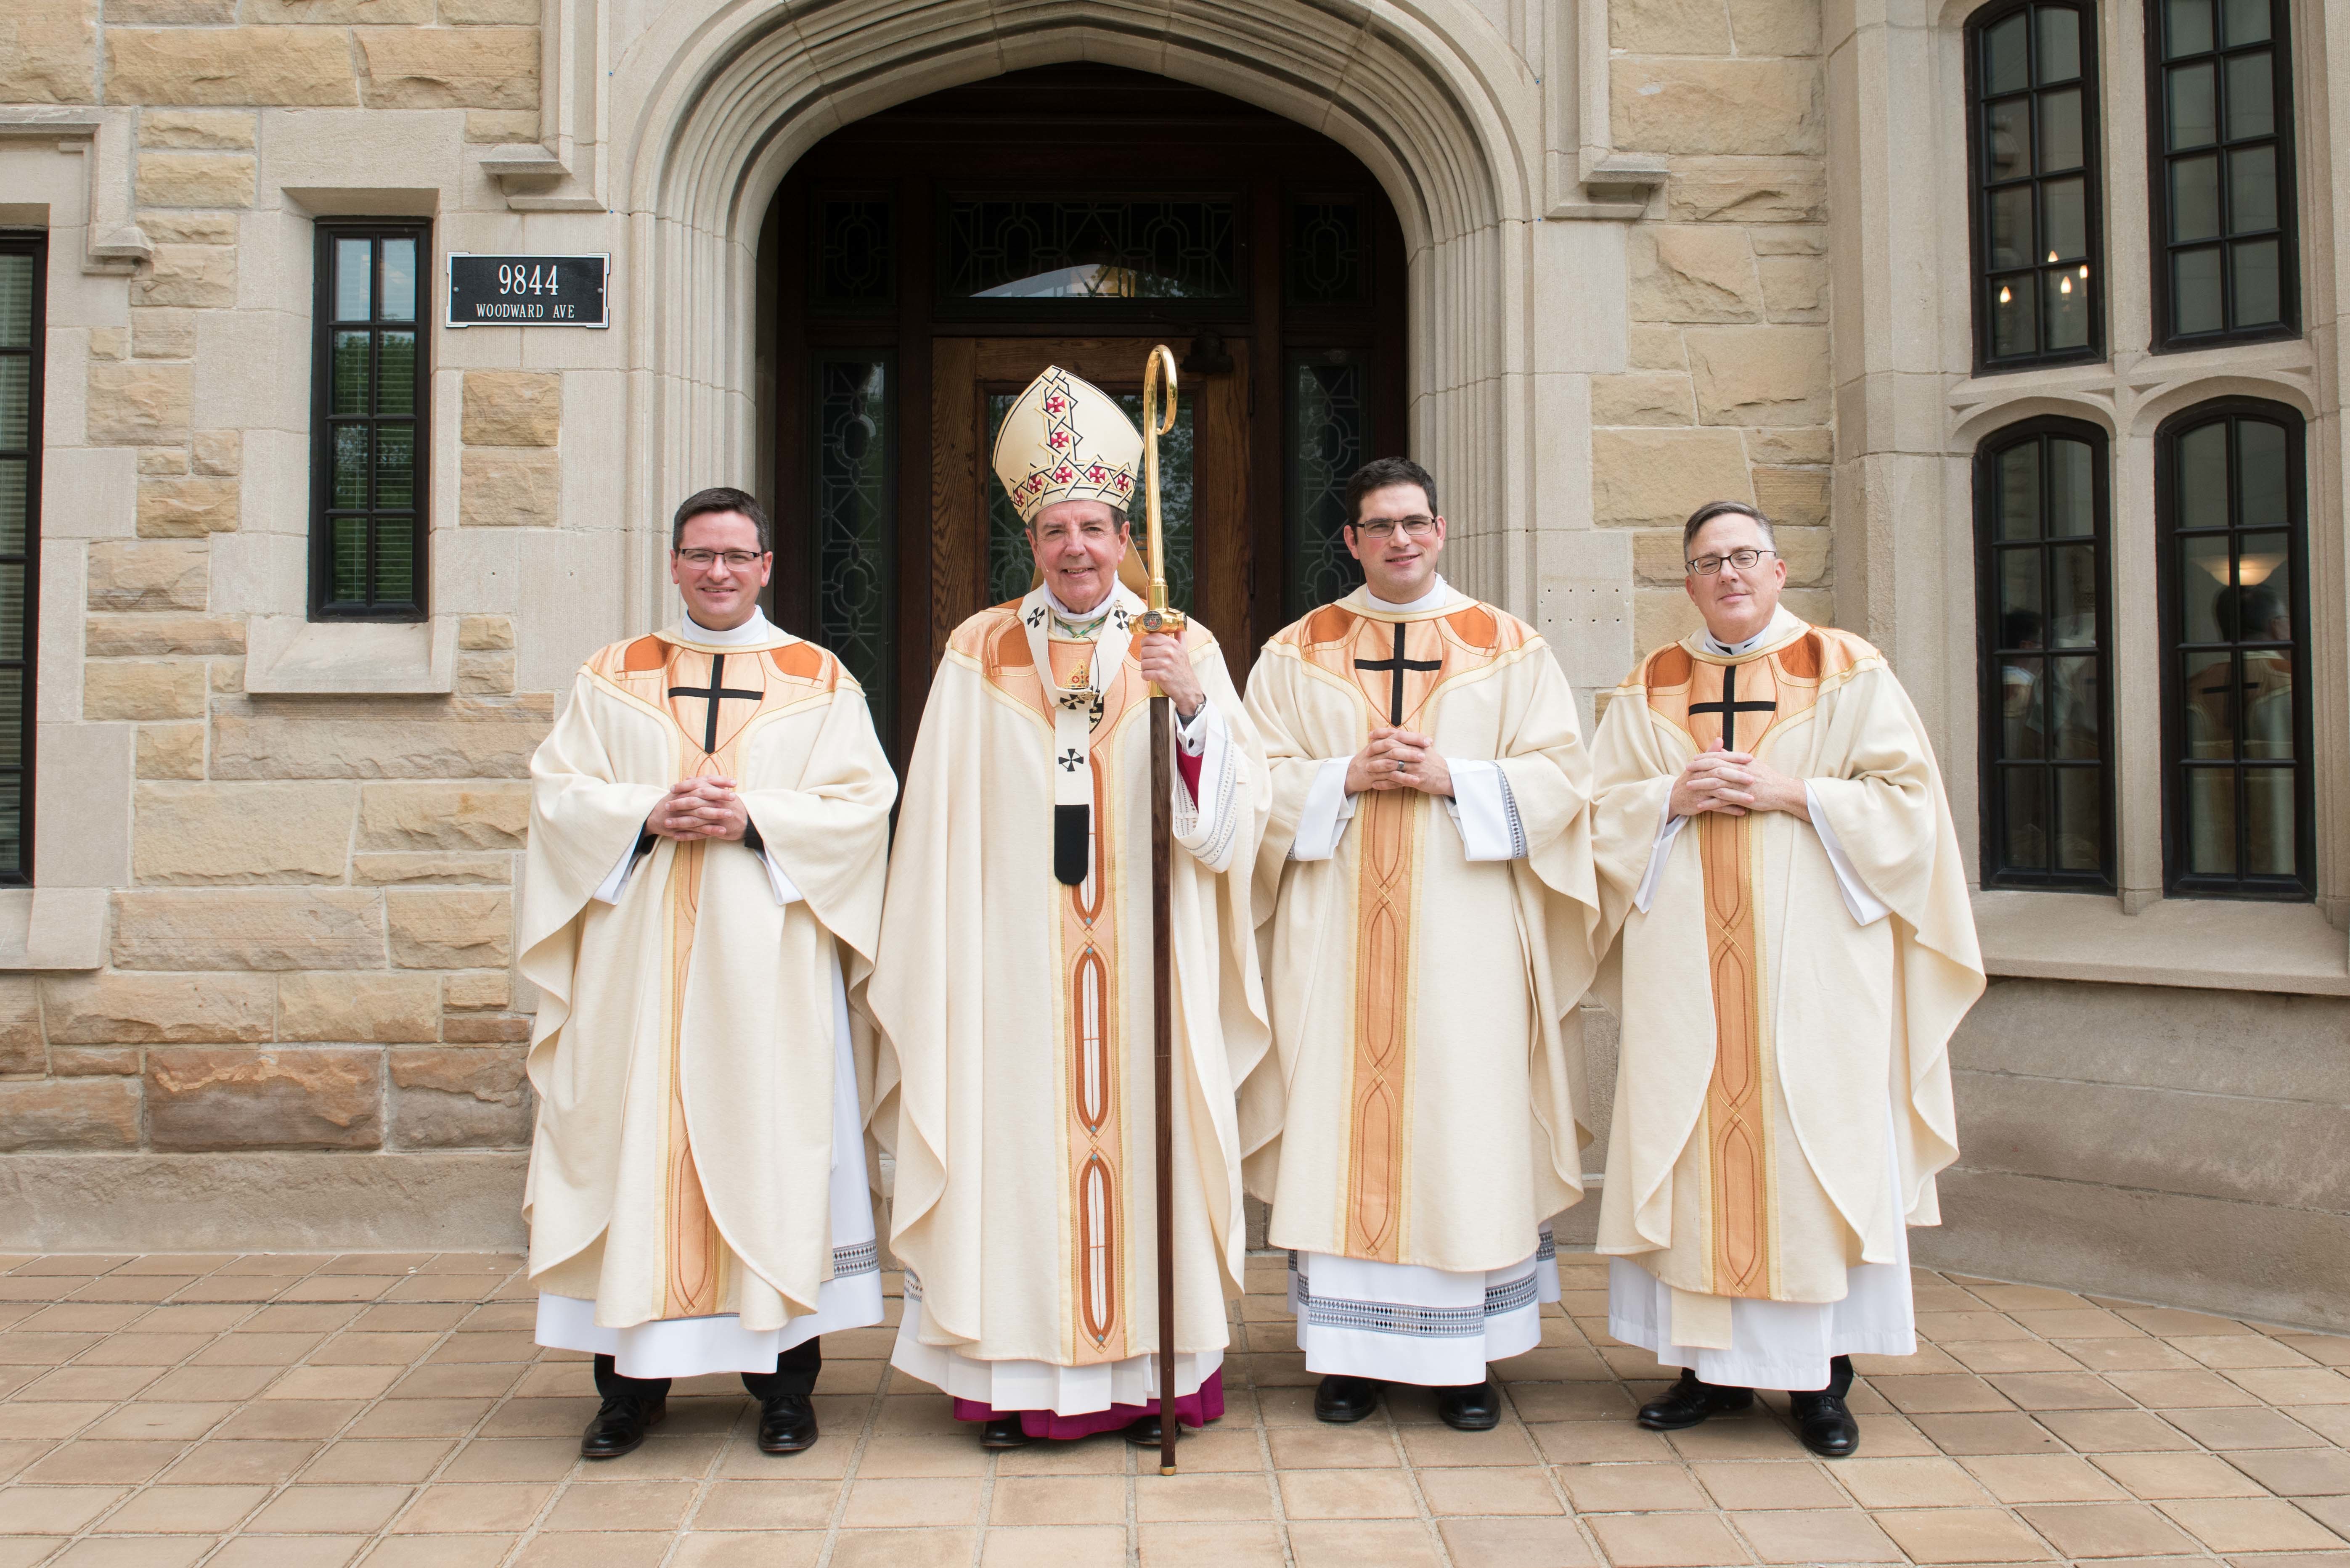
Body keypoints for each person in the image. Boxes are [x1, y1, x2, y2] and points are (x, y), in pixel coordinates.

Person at [870, 365, 1269, 1449]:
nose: (1078, 549)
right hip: (1013, 966)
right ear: (1031, 538)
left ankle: (1153, 1385)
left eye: (1095, 527)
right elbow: (940, 823)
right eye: (1056, 531)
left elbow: (1235, 821)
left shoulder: (1179, 643)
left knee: (1151, 1151)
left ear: (1123, 528)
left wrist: (1189, 706)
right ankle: (1010, 1380)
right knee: (1015, 1160)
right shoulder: (978, 648)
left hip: (1145, 953)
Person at [1587, 500, 1983, 1458]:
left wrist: (1794, 791)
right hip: (1688, 976)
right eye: (1707, 560)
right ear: (1686, 580)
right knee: (1692, 1150)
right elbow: (1592, 814)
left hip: (1814, 975)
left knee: (1815, 1153)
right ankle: (1702, 1371)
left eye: (1745, 556)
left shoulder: (1846, 669)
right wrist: (1666, 797)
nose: (1728, 573)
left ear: (1777, 568)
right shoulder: (1652, 683)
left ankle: (1822, 1380)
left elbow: (1910, 811)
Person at [518, 487, 896, 1460]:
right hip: (638, 972)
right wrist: (645, 813)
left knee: (775, 1145)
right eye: (700, 555)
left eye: (737, 555)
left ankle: (784, 1388)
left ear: (767, 565)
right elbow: (559, 794)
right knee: (630, 1147)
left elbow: (863, 806)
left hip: (766, 972)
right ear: (675, 562)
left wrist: (757, 819)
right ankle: (627, 1390)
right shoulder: (612, 675)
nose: (718, 572)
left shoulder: (818, 678)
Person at [1240, 456, 1600, 1431]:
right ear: (1351, 541)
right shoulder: (1296, 649)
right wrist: (1342, 775)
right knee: (1340, 1116)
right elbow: (1250, 781)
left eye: (1414, 522)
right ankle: (1349, 1356)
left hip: (1465, 939)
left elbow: (1567, 779)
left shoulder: (1510, 647)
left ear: (1440, 530)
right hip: (1336, 935)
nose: (1399, 540)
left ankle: (1465, 1359)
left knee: (1462, 1122)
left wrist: (1456, 776)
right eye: (1377, 526)